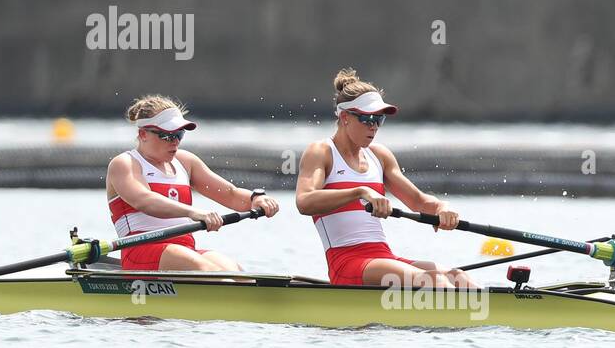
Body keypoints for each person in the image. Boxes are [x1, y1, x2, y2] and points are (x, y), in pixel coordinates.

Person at [295, 69, 477, 289]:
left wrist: (442, 208)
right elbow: (305, 202)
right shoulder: (321, 152)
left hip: (382, 258)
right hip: (347, 263)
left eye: (378, 119)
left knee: (460, 279)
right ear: (344, 117)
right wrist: (360, 192)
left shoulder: (379, 156)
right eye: (366, 118)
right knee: (435, 283)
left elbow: (419, 202)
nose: (373, 126)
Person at [106, 95, 280, 271]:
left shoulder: (185, 161)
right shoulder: (125, 163)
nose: (175, 141)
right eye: (167, 135)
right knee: (210, 272)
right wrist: (196, 213)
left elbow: (230, 194)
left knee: (236, 271)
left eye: (179, 134)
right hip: (140, 252)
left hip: (184, 250)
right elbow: (145, 200)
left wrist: (255, 198)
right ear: (143, 134)